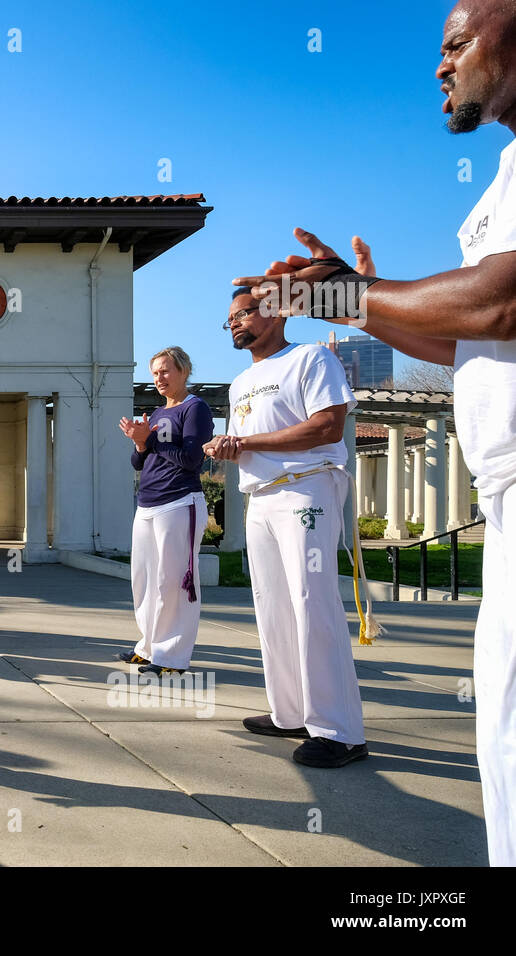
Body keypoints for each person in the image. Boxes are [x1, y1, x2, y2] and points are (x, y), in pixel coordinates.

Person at [231, 0, 516, 864]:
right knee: (502, 739)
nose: (441, 64)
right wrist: (353, 291)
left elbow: (501, 299)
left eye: (458, 42)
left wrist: (349, 298)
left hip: (312, 496)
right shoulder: (504, 176)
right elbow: (463, 331)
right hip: (503, 494)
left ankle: (334, 726)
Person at [203, 291, 366, 769]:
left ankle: (340, 730)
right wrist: (228, 446)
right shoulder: (241, 383)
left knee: (312, 603)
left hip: (306, 488)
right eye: (229, 318)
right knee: (272, 608)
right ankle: (291, 712)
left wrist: (246, 441)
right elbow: (246, 443)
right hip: (260, 496)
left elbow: (327, 427)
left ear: (277, 313)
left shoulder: (310, 358)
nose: (236, 323)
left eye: (245, 313)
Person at [117, 349, 214, 675]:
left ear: (184, 370)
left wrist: (152, 442)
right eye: (155, 373)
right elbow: (139, 463)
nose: (159, 378)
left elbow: (191, 460)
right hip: (147, 504)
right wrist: (140, 442)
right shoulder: (157, 412)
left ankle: (172, 657)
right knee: (143, 581)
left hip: (179, 502)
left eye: (165, 371)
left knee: (173, 583)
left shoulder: (196, 408)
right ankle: (148, 647)